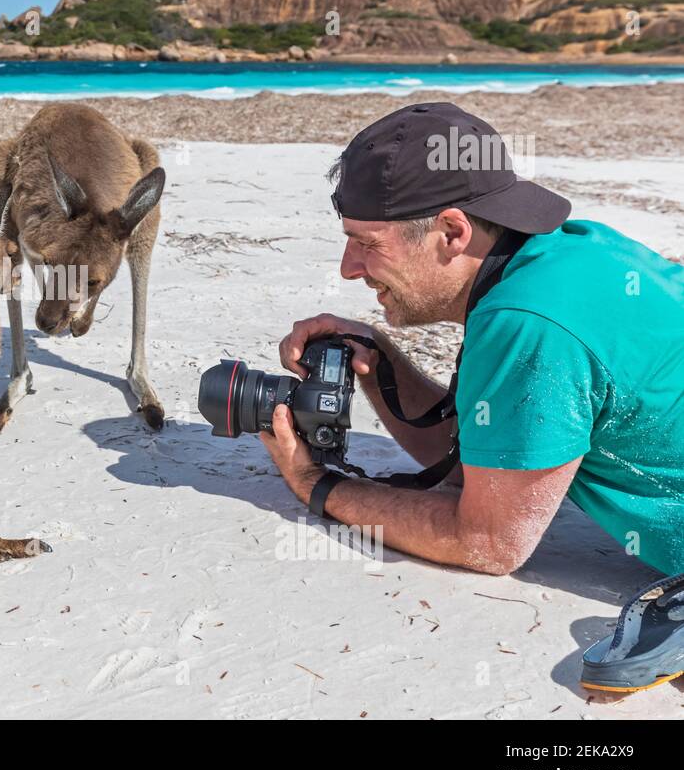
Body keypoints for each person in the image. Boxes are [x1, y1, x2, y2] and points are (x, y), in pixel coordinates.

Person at [259, 102, 684, 582]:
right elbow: (472, 457)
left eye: (368, 244)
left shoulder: (529, 323)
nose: (348, 267)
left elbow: (488, 543)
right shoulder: (570, 251)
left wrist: (316, 484)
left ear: (452, 232)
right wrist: (379, 364)